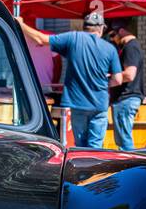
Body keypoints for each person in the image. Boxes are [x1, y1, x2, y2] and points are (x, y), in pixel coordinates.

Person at [16, 10, 121, 148]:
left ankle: (83, 169)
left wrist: (20, 24)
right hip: (99, 104)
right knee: (95, 147)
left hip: (78, 103)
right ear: (101, 28)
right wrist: (103, 82)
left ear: (85, 27)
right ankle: (92, 168)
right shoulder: (109, 48)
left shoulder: (73, 38)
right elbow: (118, 79)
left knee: (80, 146)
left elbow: (41, 39)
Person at [108, 23, 145, 150]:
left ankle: (130, 167)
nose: (112, 39)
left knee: (124, 142)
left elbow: (129, 75)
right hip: (127, 98)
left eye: (113, 35)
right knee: (123, 139)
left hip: (126, 98)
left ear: (122, 30)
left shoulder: (131, 47)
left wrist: (109, 79)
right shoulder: (132, 47)